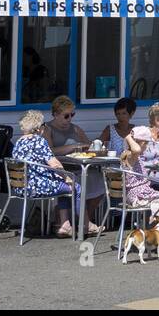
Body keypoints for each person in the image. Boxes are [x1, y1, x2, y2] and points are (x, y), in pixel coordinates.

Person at [12, 110, 97, 238]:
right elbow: (55, 164)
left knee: (64, 185)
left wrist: (64, 179)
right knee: (76, 187)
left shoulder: (19, 142)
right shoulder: (39, 141)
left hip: (21, 187)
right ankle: (86, 226)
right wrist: (67, 176)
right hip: (37, 187)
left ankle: (65, 225)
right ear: (39, 128)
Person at [42, 95, 104, 223]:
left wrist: (93, 148)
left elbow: (89, 146)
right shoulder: (47, 129)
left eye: (72, 115)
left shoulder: (75, 129)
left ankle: (85, 218)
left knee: (101, 181)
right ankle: (81, 221)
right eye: (66, 116)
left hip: (79, 168)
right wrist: (73, 147)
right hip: (59, 171)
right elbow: (49, 151)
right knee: (76, 181)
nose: (69, 119)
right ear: (55, 114)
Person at [119, 129, 159, 209]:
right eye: (145, 144)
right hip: (138, 195)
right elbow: (137, 149)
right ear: (138, 143)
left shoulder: (132, 156)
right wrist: (129, 137)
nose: (146, 147)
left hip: (141, 192)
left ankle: (156, 220)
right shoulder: (131, 156)